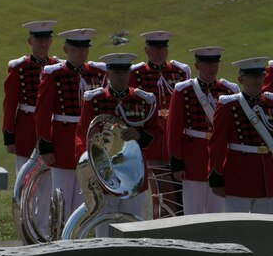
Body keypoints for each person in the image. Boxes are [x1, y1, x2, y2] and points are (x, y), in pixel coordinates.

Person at [77, 53, 160, 235]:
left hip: (133, 174)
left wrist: (139, 135)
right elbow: (82, 135)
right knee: (103, 229)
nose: (121, 76)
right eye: (116, 72)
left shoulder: (143, 100)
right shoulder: (94, 100)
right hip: (104, 175)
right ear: (108, 73)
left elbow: (157, 132)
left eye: (125, 72)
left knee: (132, 228)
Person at [35, 28, 106, 220]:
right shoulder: (53, 74)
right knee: (62, 199)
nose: (82, 53)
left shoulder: (99, 73)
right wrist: (45, 145)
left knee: (85, 199)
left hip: (89, 141)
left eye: (85, 49)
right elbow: (42, 113)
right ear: (66, 49)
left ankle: (79, 234)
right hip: (63, 143)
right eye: (76, 49)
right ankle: (60, 234)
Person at [168, 47, 237, 215]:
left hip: (220, 158)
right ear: (197, 65)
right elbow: (174, 129)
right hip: (193, 158)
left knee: (217, 212)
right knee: (193, 212)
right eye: (206, 64)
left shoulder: (229, 91)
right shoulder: (183, 90)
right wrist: (177, 162)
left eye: (214, 64)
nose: (211, 68)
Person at [129, 31, 190, 217]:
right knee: (156, 194)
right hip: (152, 143)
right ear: (146, 50)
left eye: (162, 49)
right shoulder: (136, 73)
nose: (159, 53)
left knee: (180, 195)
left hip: (174, 141)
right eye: (154, 49)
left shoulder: (180, 72)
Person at [208, 57, 273, 214]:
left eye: (260, 76)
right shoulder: (229, 105)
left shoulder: (270, 103)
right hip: (239, 176)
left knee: (265, 226)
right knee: (236, 225)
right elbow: (217, 143)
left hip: (267, 179)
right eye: (252, 77)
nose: (257, 81)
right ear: (241, 80)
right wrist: (216, 176)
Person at [2, 20, 58, 175]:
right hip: (26, 129)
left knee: (50, 178)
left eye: (46, 39)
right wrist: (9, 136)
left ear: (51, 41)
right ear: (30, 41)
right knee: (25, 177)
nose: (42, 43)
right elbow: (9, 104)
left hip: (51, 129)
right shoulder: (18, 68)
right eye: (38, 39)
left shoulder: (57, 67)